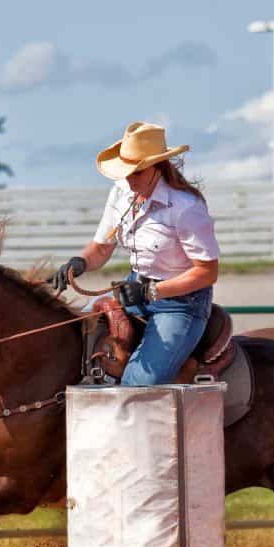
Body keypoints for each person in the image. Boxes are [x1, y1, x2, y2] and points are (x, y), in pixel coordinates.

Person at [51, 121, 220, 386]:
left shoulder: (186, 207)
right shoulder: (120, 193)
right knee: (70, 337)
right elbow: (101, 249)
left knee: (138, 386)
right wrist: (80, 262)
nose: (129, 180)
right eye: (126, 172)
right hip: (133, 289)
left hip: (180, 305)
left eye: (137, 173)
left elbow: (207, 272)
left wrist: (152, 292)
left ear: (158, 167)